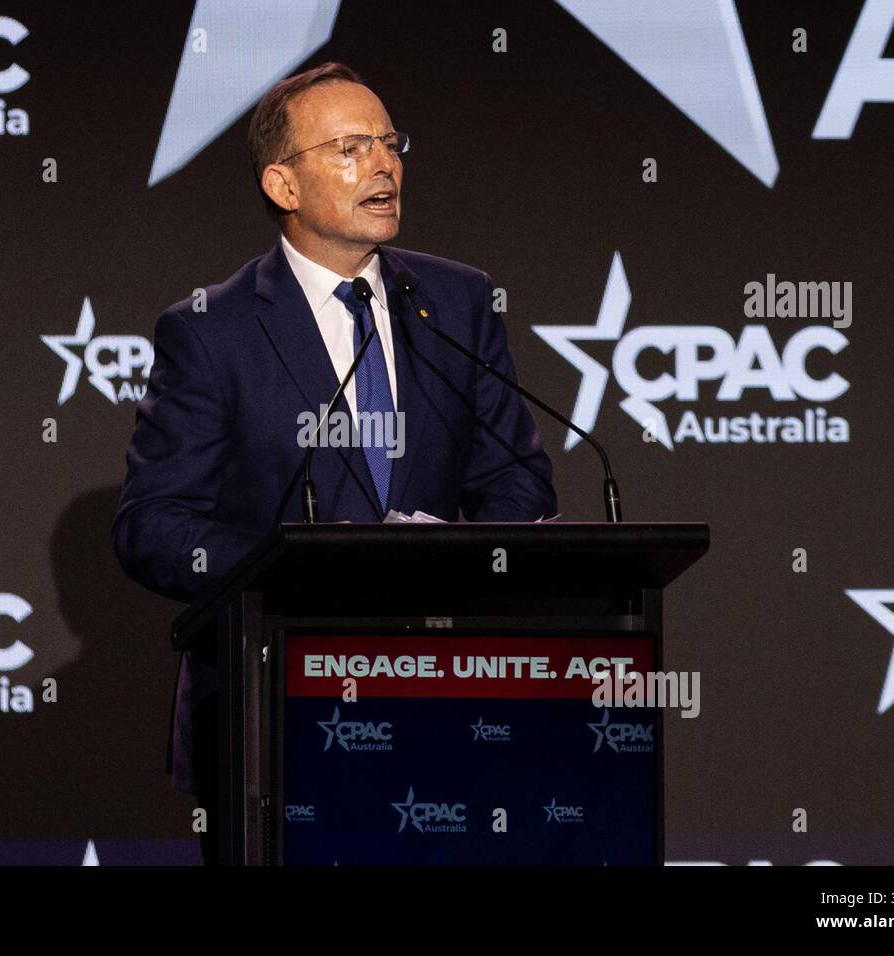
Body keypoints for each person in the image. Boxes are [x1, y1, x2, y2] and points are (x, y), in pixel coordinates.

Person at [111, 62, 555, 863]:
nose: (383, 164)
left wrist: (456, 566)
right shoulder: (214, 331)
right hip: (276, 712)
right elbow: (153, 523)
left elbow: (516, 481)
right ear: (283, 184)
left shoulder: (456, 302)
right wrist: (298, 569)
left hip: (444, 698)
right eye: (350, 147)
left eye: (390, 143)